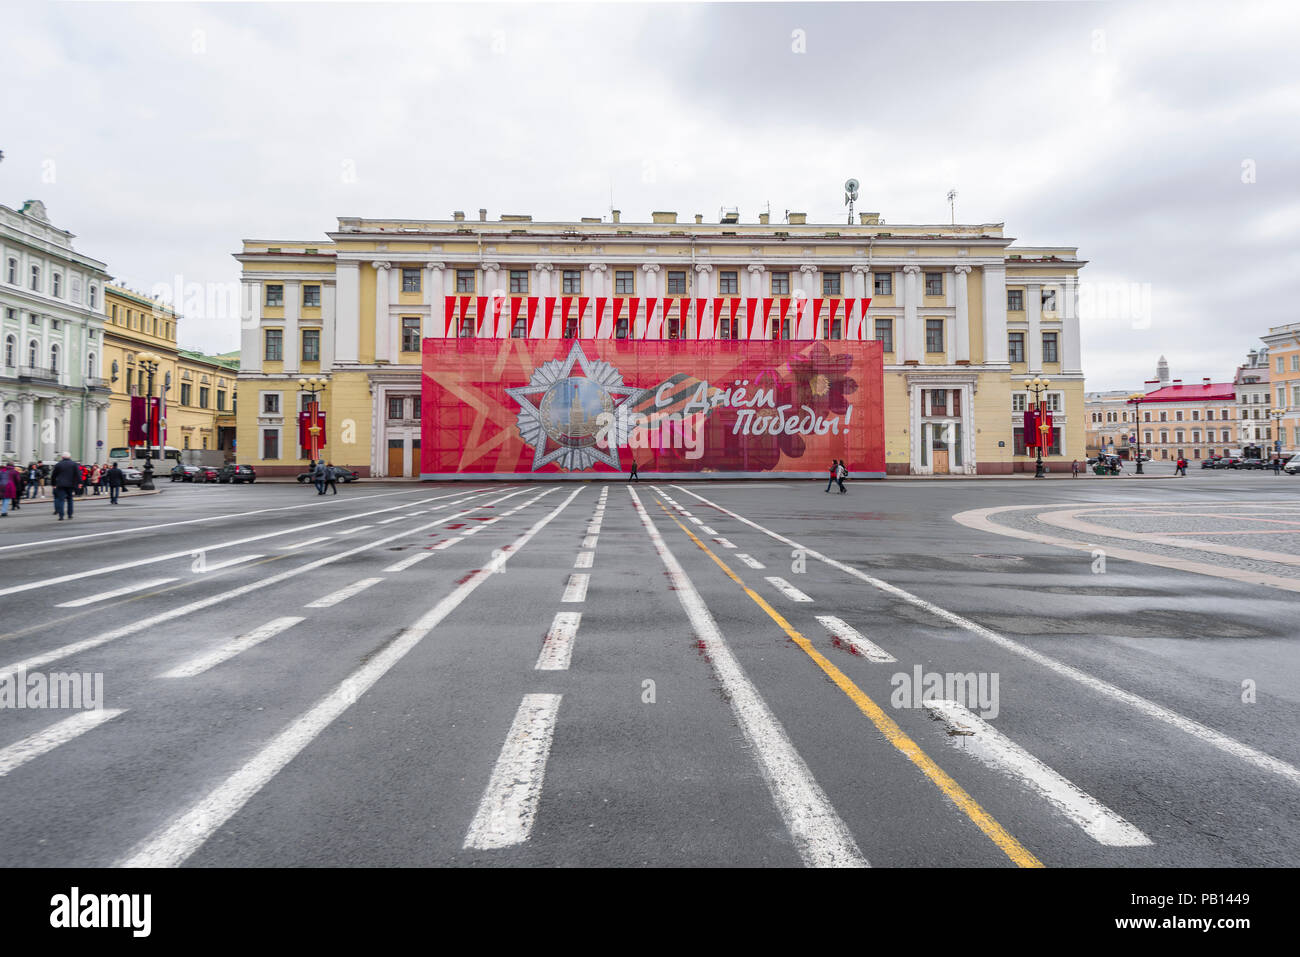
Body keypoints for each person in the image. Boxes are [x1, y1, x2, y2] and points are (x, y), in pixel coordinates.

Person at [51, 452, 80, 520]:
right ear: (70, 457)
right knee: (70, 499)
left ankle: (61, 516)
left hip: (60, 484)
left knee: (61, 500)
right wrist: (79, 482)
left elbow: (53, 475)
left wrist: (53, 484)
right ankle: (70, 515)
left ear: (62, 457)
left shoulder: (58, 464)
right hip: (71, 484)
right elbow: (78, 474)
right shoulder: (74, 464)